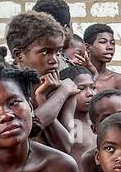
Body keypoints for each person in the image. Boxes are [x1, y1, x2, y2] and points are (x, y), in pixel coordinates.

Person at [6, 11, 76, 152]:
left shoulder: (65, 91)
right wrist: (62, 93)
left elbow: (66, 147)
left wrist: (43, 99)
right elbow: (25, 133)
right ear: (19, 54)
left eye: (58, 52)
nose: (54, 60)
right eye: (45, 52)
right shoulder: (6, 90)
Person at [59, 64, 98, 169]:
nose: (90, 93)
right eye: (81, 89)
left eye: (93, 87)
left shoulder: (96, 122)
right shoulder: (74, 125)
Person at [82, 23, 121, 94]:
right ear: (87, 47)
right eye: (103, 42)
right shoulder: (78, 77)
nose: (110, 47)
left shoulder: (117, 80)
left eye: (112, 43)